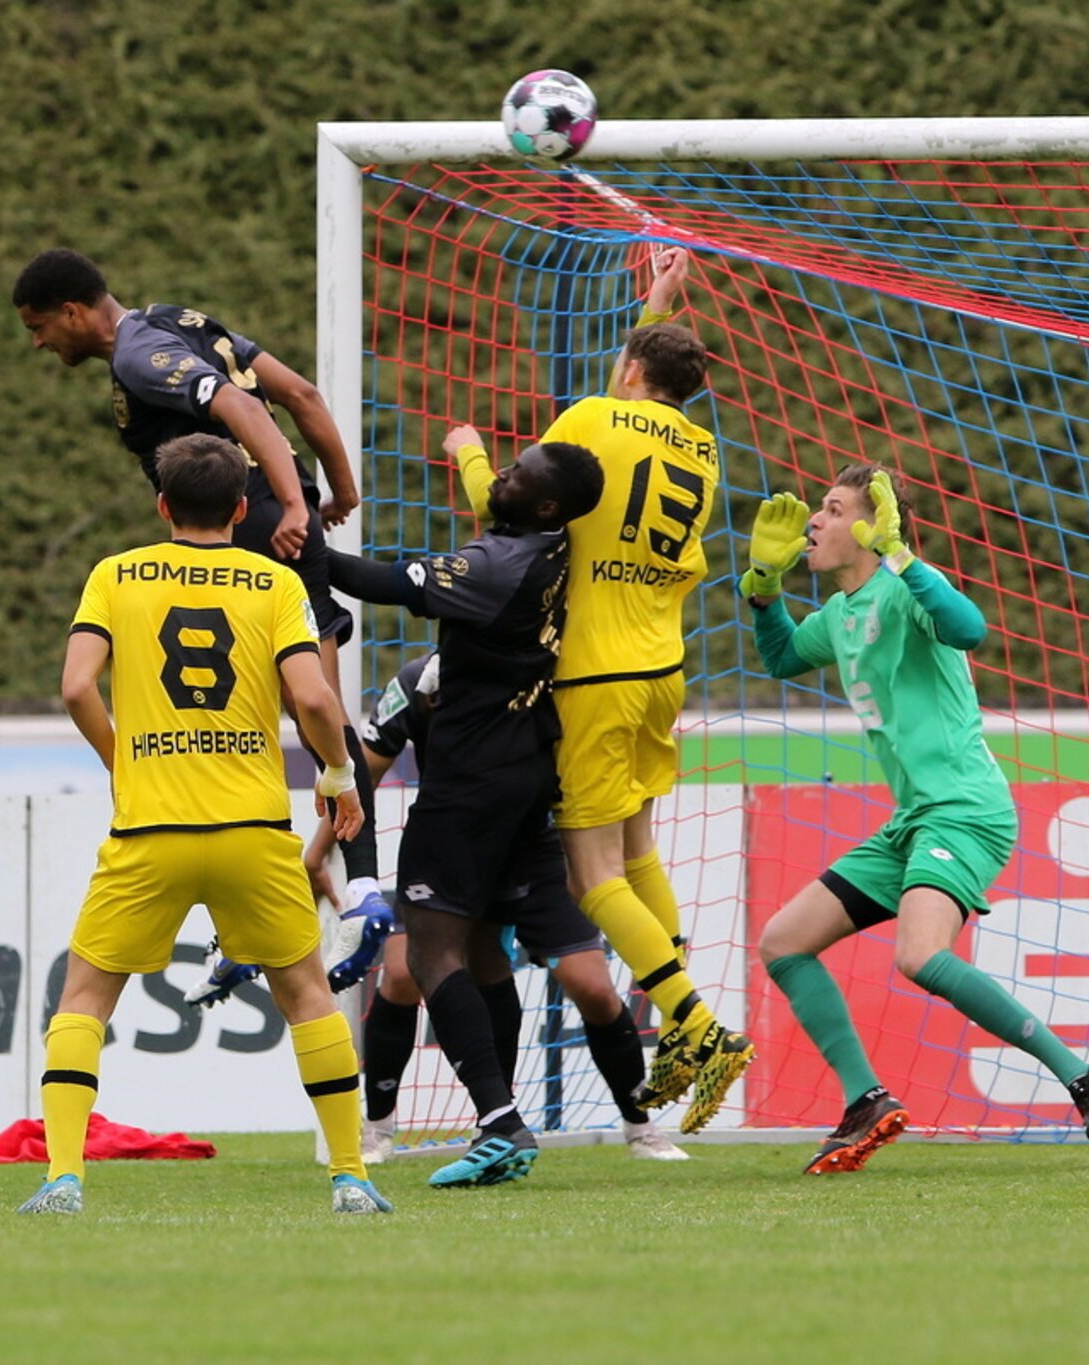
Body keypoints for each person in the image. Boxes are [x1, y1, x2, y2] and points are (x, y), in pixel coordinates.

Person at [11, 249, 396, 997]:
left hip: (241, 524)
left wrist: (288, 504)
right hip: (282, 517)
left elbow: (247, 409)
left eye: (37, 327)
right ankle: (361, 887)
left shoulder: (138, 352)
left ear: (72, 312)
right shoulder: (178, 320)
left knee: (241, 708)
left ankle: (283, 913)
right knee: (313, 708)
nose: (38, 343)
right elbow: (302, 395)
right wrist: (336, 492)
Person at [21, 433, 388, 1217]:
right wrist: (335, 775)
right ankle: (352, 1176)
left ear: (162, 505)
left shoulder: (115, 575)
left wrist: (124, 760)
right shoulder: (272, 581)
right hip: (249, 828)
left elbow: (77, 685)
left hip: (149, 828)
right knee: (307, 996)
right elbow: (317, 701)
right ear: (239, 509)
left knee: (83, 998)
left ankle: (61, 1178)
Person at [447, 247, 753, 1135]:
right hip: (663, 668)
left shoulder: (593, 417)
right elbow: (638, 406)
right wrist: (654, 308)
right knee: (638, 848)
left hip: (593, 672)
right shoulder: (699, 447)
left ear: (629, 372)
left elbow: (509, 503)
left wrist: (468, 454)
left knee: (590, 876)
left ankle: (697, 1026)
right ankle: (684, 1024)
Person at [743, 465, 1089, 1172]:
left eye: (831, 510)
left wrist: (903, 554)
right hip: (916, 820)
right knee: (783, 941)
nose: (813, 524)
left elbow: (970, 628)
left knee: (919, 955)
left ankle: (1085, 1078)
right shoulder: (837, 615)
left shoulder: (902, 589)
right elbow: (781, 658)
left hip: (966, 811)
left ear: (869, 528)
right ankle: (866, 1099)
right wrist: (764, 588)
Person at [324, 439, 630, 1188]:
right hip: (527, 772)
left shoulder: (497, 568)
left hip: (470, 782)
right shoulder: (554, 546)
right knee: (486, 954)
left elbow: (379, 580)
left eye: (517, 474)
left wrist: (294, 546)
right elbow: (496, 501)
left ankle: (499, 1121)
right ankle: (477, 1118)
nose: (502, 476)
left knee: (429, 954)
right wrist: (469, 454)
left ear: (546, 506)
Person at [299, 652, 688, 1164]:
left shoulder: (550, 675)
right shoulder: (419, 682)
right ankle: (382, 1127)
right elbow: (360, 773)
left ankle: (640, 1126)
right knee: (402, 974)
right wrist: (317, 847)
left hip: (537, 849)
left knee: (591, 985)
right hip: (453, 847)